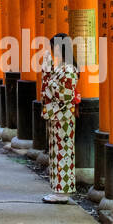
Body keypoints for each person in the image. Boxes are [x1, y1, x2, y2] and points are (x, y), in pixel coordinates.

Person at [40, 33, 80, 203]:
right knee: (57, 152)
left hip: (63, 116)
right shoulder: (63, 67)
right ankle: (58, 189)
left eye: (53, 47)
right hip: (58, 116)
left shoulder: (69, 70)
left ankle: (62, 192)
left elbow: (65, 95)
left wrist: (49, 81)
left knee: (63, 152)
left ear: (58, 47)